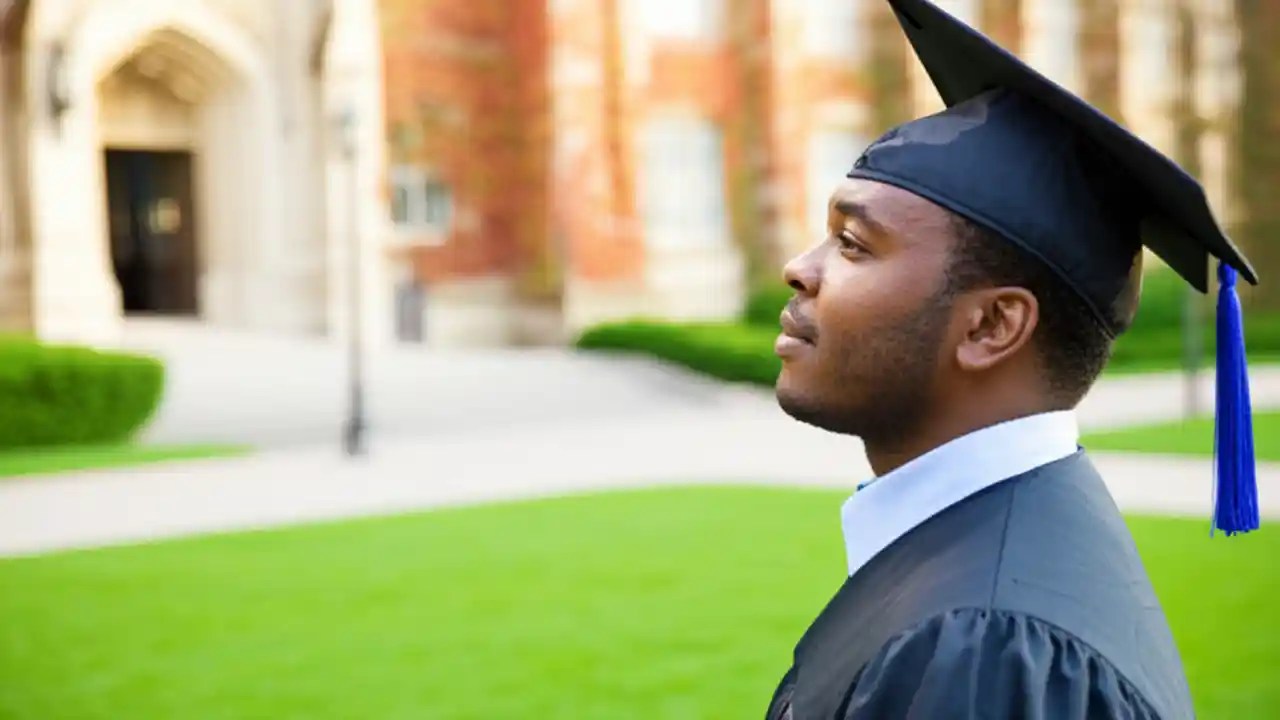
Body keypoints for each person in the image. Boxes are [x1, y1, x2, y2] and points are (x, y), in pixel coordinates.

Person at [763, 1, 1260, 718]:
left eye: (853, 244)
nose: (797, 268)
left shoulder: (985, 650)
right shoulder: (1007, 559)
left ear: (993, 325)